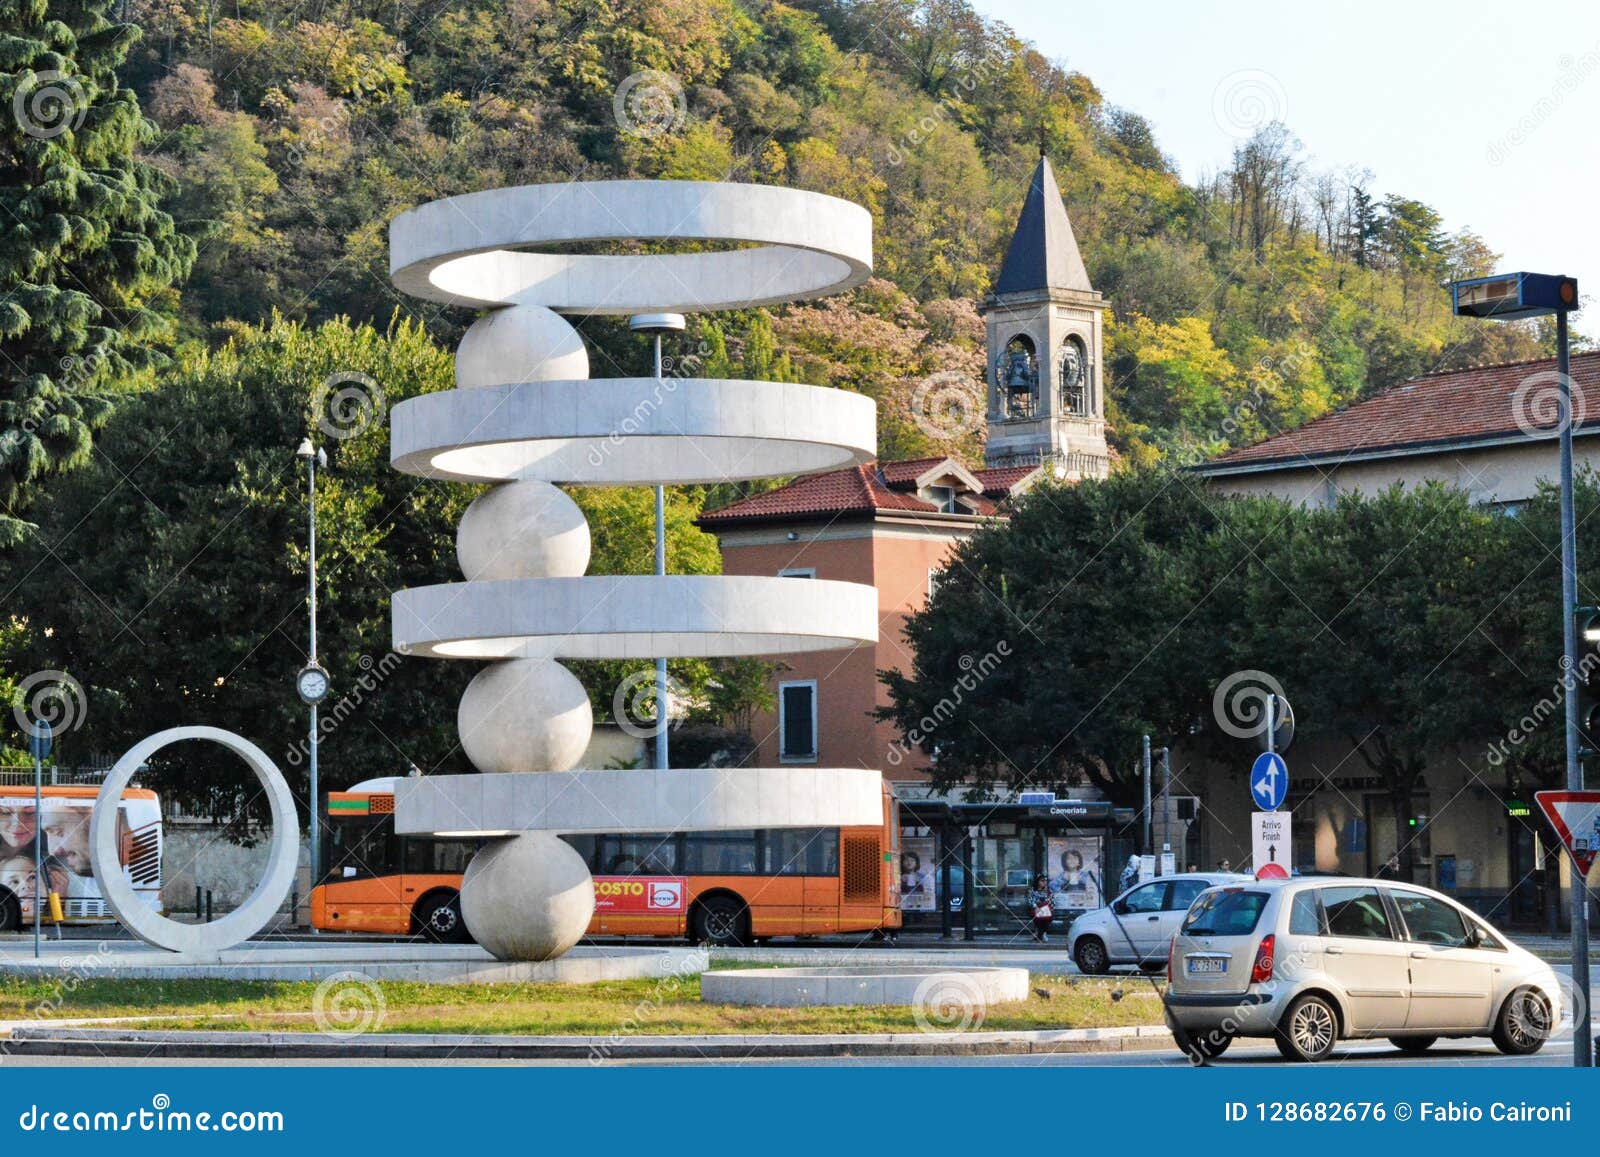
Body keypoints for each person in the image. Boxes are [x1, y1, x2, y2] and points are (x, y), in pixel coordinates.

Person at [1027, 875, 1054, 942]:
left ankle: (1041, 934)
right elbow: (1030, 900)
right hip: (1035, 909)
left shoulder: (1048, 891)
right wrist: (1035, 906)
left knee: (1047, 918)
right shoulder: (1032, 890)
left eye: (1045, 881)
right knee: (1039, 919)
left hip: (1046, 909)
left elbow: (1052, 900)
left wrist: (1050, 907)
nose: (1044, 882)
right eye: (1042, 881)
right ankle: (1040, 934)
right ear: (1038, 881)